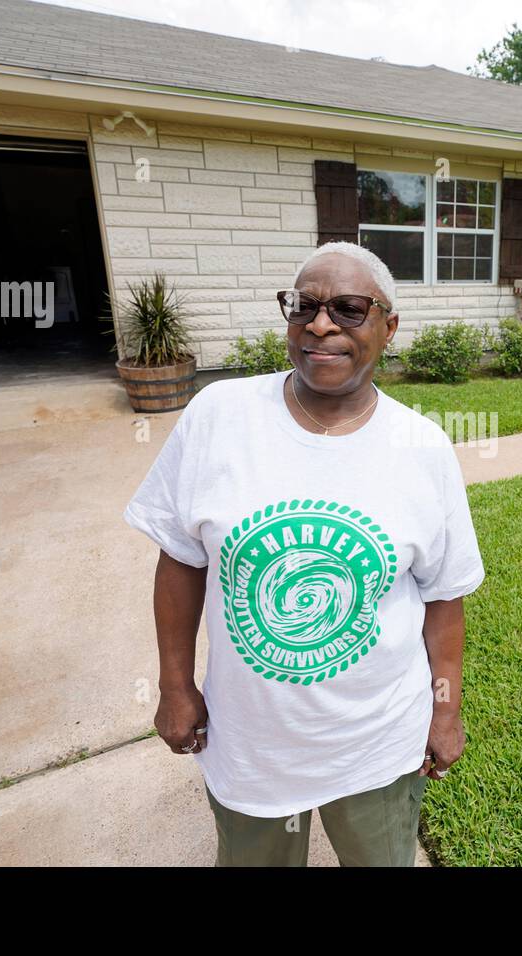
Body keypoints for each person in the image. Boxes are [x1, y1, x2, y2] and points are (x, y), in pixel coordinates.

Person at [123, 241, 486, 866]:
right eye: (304, 306)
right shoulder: (219, 416)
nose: (321, 324)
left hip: (375, 741)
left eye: (349, 308)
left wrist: (445, 713)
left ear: (388, 327)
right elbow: (181, 560)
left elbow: (442, 599)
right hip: (253, 744)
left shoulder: (422, 448)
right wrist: (175, 686)